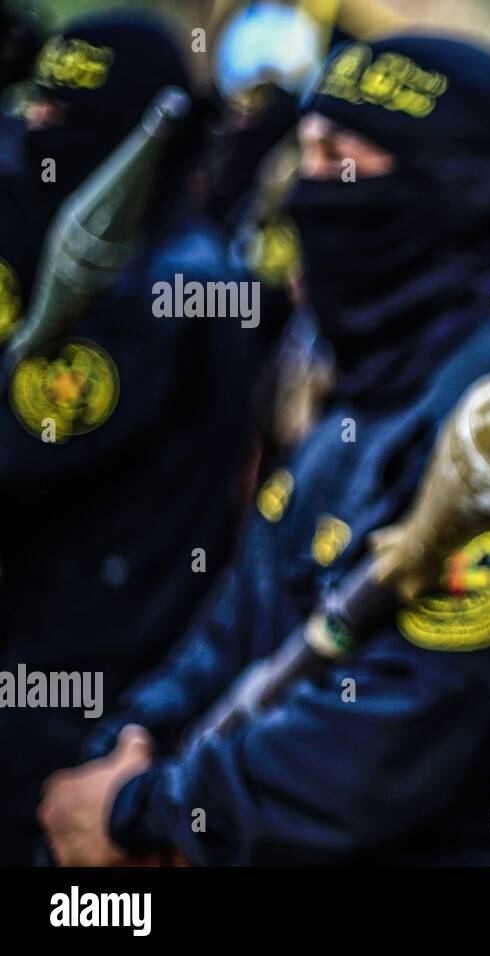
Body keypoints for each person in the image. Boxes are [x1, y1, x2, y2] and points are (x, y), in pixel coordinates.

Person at [36, 34, 490, 867]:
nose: (309, 192)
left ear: (451, 192)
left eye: (340, 158)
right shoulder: (370, 392)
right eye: (305, 154)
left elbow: (376, 750)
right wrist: (140, 733)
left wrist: (146, 813)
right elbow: (241, 622)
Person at [0, 11, 272, 864]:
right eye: (34, 106)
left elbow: (27, 444)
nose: (36, 133)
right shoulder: (163, 261)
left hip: (93, 675)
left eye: (65, 116)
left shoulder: (167, 288)